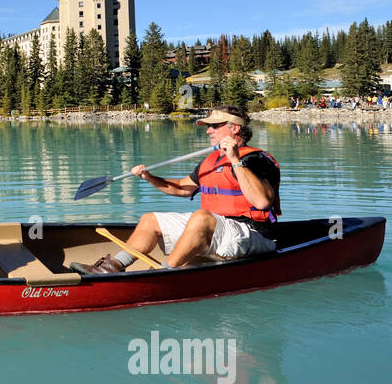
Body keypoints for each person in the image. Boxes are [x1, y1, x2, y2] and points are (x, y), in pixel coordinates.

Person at [72, 105, 281, 274]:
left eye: (215, 126)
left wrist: (235, 160)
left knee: (201, 218)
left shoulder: (256, 159)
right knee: (150, 220)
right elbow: (181, 188)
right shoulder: (211, 161)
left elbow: (262, 202)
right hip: (218, 231)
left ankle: (166, 273)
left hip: (253, 235)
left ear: (234, 128)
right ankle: (111, 268)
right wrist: (149, 177)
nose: (208, 130)